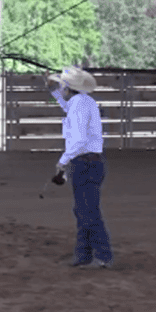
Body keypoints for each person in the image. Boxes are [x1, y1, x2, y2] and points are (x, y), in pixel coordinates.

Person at [45, 66, 113, 269]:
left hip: (84, 162)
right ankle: (85, 254)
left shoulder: (77, 105)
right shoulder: (85, 102)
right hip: (91, 162)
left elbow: (79, 140)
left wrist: (62, 162)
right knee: (84, 209)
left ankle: (101, 255)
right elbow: (68, 109)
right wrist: (54, 92)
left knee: (87, 212)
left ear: (67, 88)